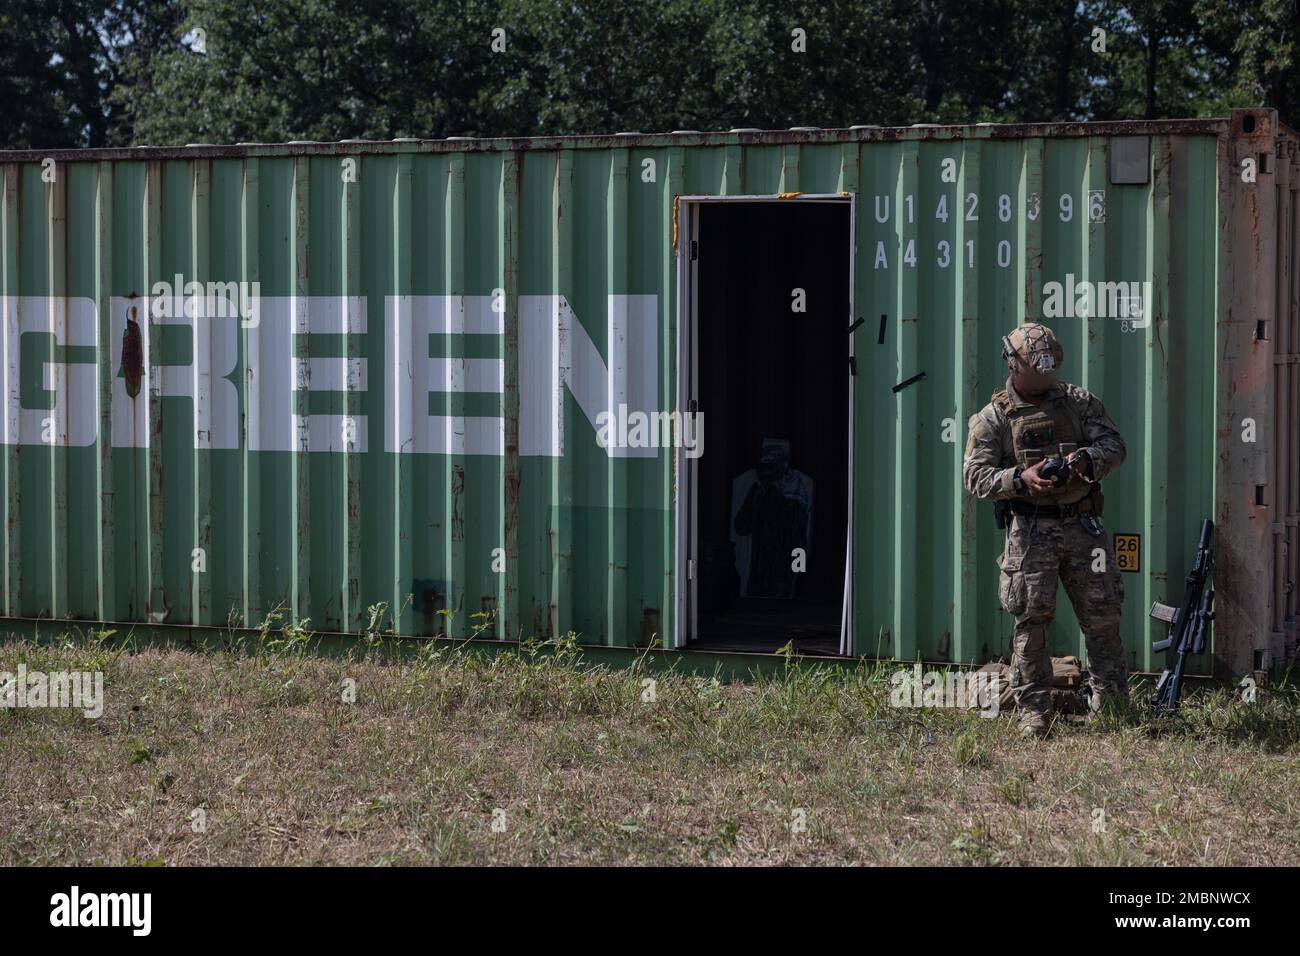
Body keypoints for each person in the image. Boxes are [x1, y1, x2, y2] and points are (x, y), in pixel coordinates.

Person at [962, 323, 1128, 737]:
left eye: (1050, 367)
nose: (1045, 376)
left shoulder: (1077, 402)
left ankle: (1111, 707)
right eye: (1037, 368)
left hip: (1083, 526)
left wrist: (1088, 460)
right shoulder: (994, 417)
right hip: (1031, 532)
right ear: (1013, 365)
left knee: (1102, 617)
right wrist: (1021, 478)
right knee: (1031, 623)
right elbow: (975, 476)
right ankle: (1034, 712)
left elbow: (1115, 446)